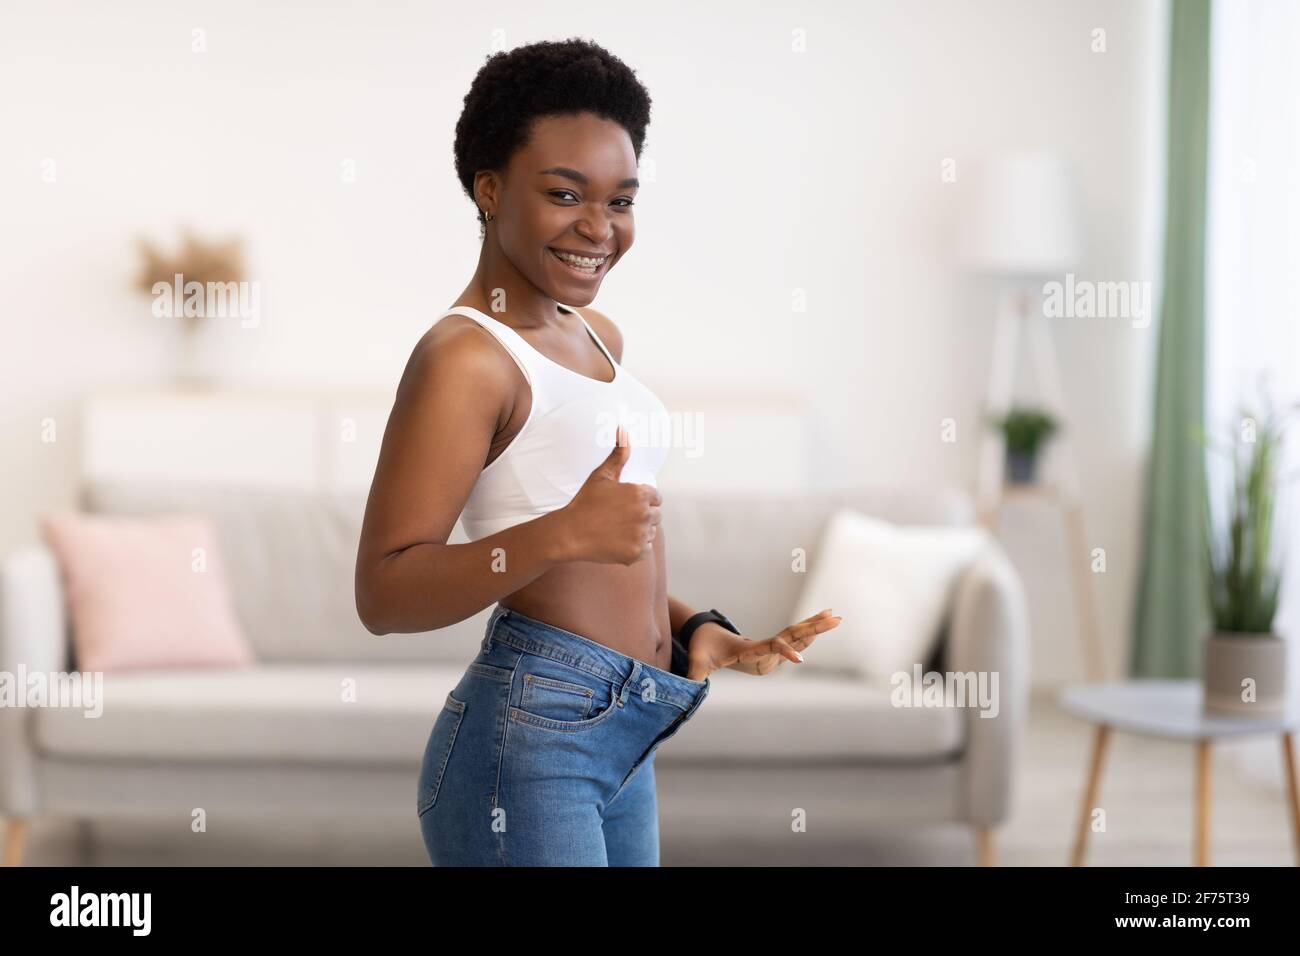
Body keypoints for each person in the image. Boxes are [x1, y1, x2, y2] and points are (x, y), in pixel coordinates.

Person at [354, 37, 841, 866]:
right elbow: (385, 591)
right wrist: (561, 533)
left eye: (621, 200)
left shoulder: (596, 335)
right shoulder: (465, 357)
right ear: (489, 187)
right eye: (564, 193)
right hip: (527, 742)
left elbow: (602, 550)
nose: (598, 228)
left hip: (628, 728)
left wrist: (694, 630)